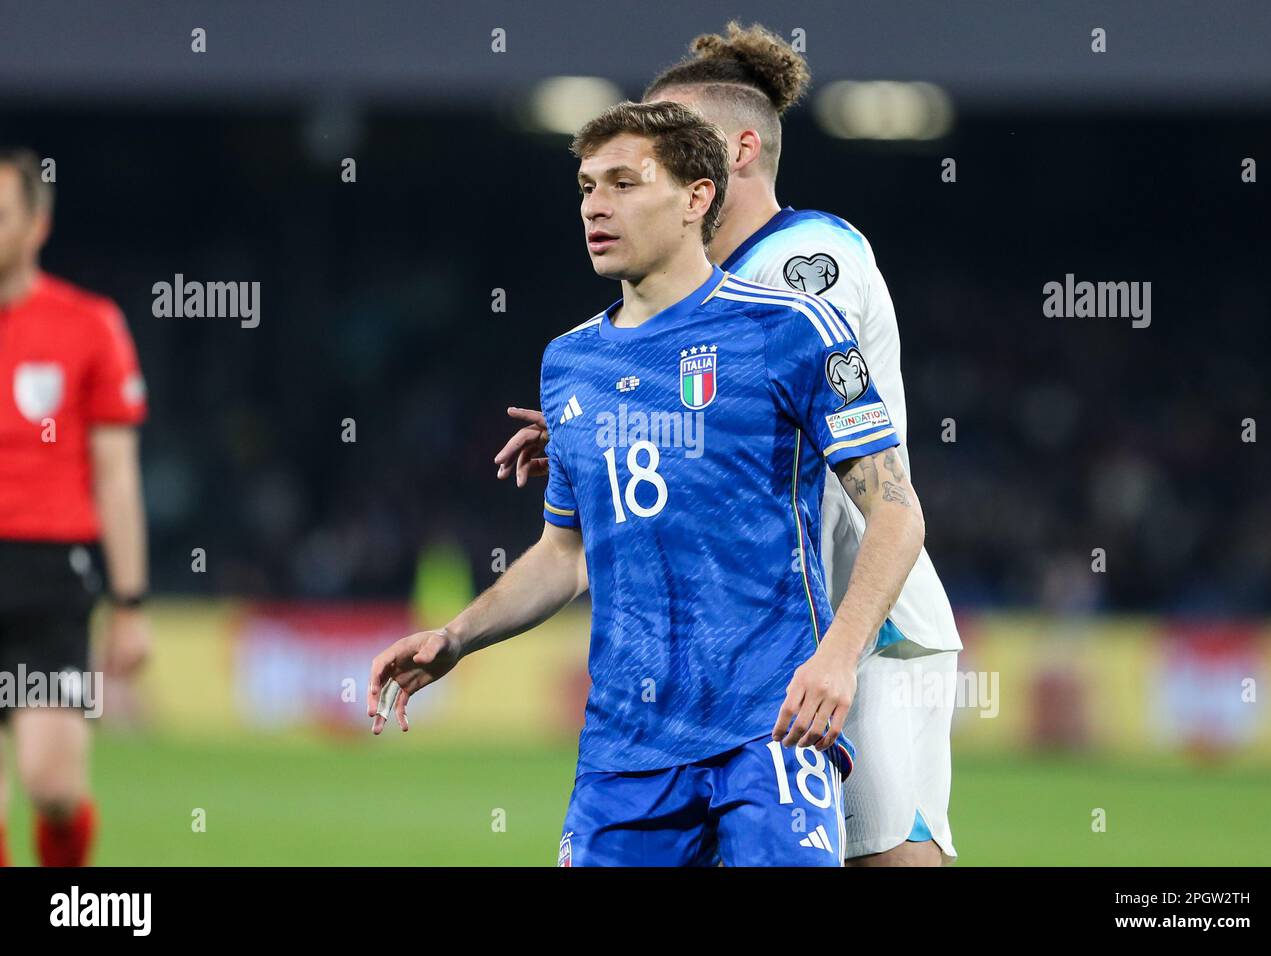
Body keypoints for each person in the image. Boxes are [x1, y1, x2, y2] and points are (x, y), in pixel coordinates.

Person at [370, 101, 924, 866]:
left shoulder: (790, 329)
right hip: (623, 751)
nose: (596, 205)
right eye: (587, 187)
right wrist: (456, 637)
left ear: (698, 197)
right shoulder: (570, 363)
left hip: (769, 729)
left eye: (625, 183)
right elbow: (563, 557)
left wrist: (836, 656)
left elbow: (896, 511)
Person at [493, 22, 962, 866]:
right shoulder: (715, 288)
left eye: (671, 139)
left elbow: (737, 385)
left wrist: (626, 416)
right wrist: (596, 432)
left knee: (885, 849)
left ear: (730, 155)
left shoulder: (805, 260)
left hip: (861, 616)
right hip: (764, 635)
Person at [0, 147, 151, 866]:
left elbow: (117, 474)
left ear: (37, 224)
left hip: (48, 578)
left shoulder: (88, 325)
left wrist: (130, 602)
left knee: (51, 785)